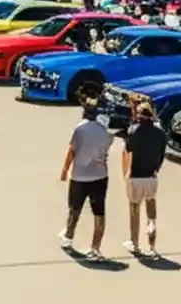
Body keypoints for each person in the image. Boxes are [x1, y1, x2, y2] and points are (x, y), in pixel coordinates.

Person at [60, 99, 113, 259]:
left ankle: (69, 237)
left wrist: (64, 170)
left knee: (74, 209)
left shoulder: (80, 129)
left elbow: (72, 151)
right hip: (100, 175)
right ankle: (95, 247)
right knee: (99, 213)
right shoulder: (106, 132)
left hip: (79, 175)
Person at [121, 101, 165, 256]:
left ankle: (134, 243)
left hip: (136, 176)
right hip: (151, 176)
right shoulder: (160, 133)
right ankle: (152, 245)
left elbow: (128, 150)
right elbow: (161, 156)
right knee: (151, 209)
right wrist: (155, 170)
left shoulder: (134, 131)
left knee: (134, 209)